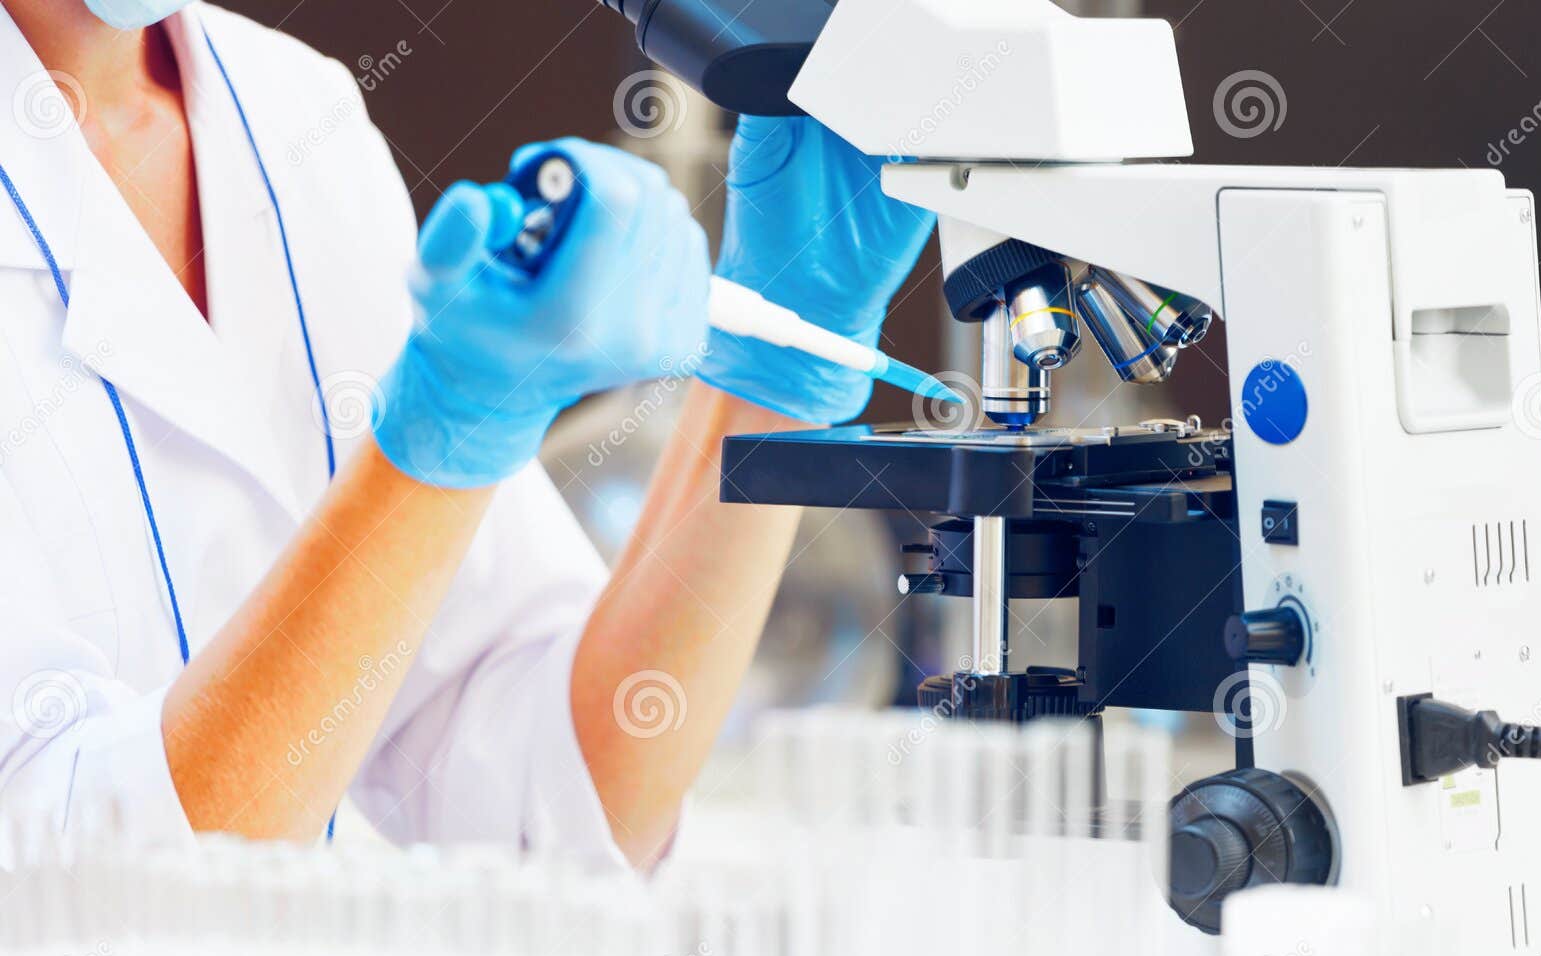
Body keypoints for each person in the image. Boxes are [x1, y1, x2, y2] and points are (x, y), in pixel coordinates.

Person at [0, 0, 933, 868]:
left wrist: (773, 373)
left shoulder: (293, 115)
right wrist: (437, 445)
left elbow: (549, 805)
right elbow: (65, 876)